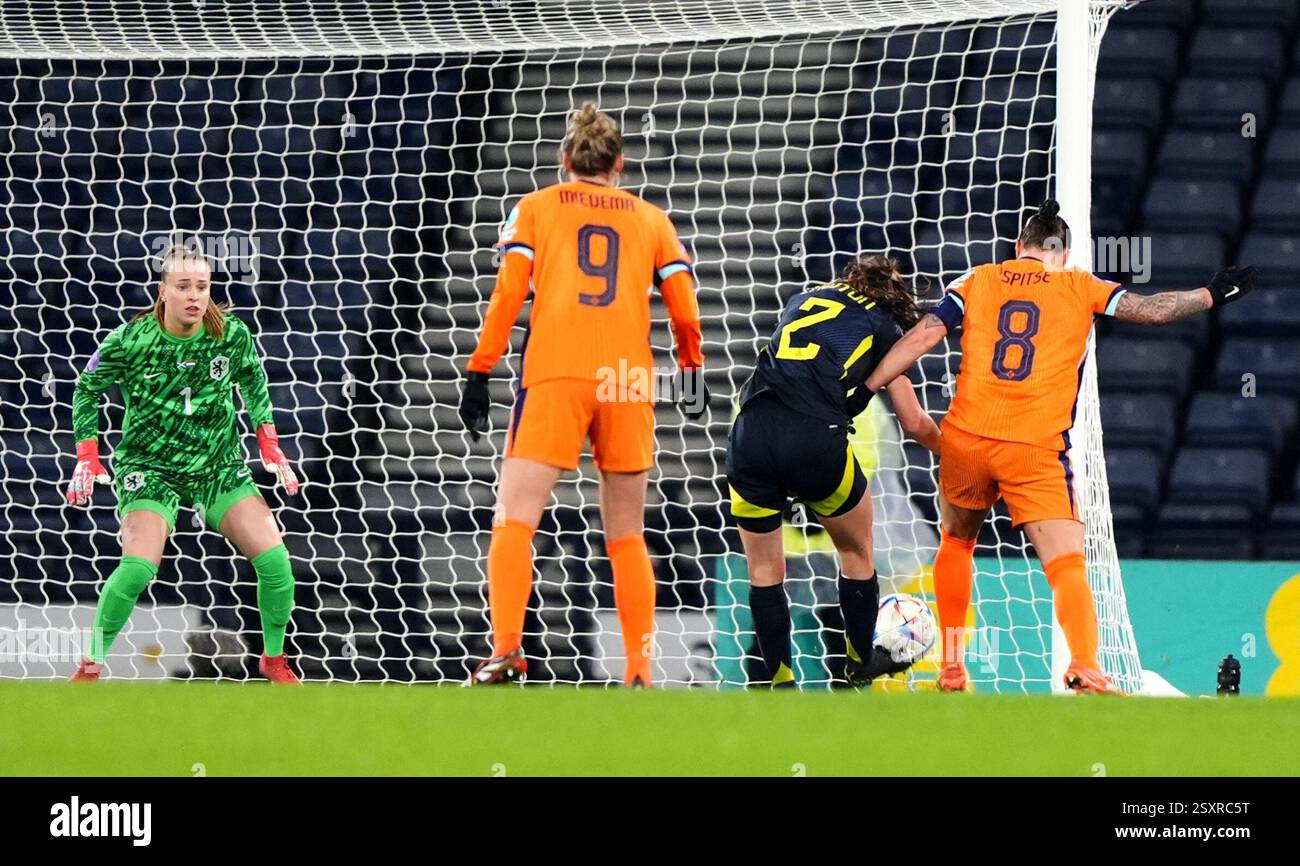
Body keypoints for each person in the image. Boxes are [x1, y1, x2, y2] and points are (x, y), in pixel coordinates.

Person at [865, 200, 1256, 693]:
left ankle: (952, 669)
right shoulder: (1079, 285)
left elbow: (925, 335)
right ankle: (1085, 666)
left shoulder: (976, 280)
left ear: (1017, 247)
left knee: (958, 542)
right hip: (1031, 447)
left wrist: (871, 380)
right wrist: (1212, 294)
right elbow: (1151, 311)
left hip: (965, 439)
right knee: (1066, 562)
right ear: (1064, 254)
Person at [458, 102, 706, 687]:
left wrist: (480, 368)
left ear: (566, 160)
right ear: (619, 163)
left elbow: (509, 292)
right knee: (626, 532)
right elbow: (686, 308)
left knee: (515, 519)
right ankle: (640, 669)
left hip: (557, 371)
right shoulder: (652, 220)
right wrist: (690, 368)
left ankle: (507, 652)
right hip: (627, 381)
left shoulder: (536, 208)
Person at [67, 245, 302, 683]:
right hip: (151, 470)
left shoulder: (229, 333)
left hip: (217, 467)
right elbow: (85, 389)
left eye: (203, 287)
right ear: (163, 292)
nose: (195, 296)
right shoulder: (129, 340)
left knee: (276, 564)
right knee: (137, 569)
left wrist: (268, 442)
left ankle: (273, 659)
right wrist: (87, 454)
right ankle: (91, 664)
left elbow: (253, 380)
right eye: (184, 287)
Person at [726, 255, 941, 689]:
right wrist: (954, 453)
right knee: (857, 554)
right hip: (815, 439)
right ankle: (859, 664)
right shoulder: (883, 327)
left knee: (763, 573)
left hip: (751, 433)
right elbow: (915, 422)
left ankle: (779, 684)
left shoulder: (800, 299)